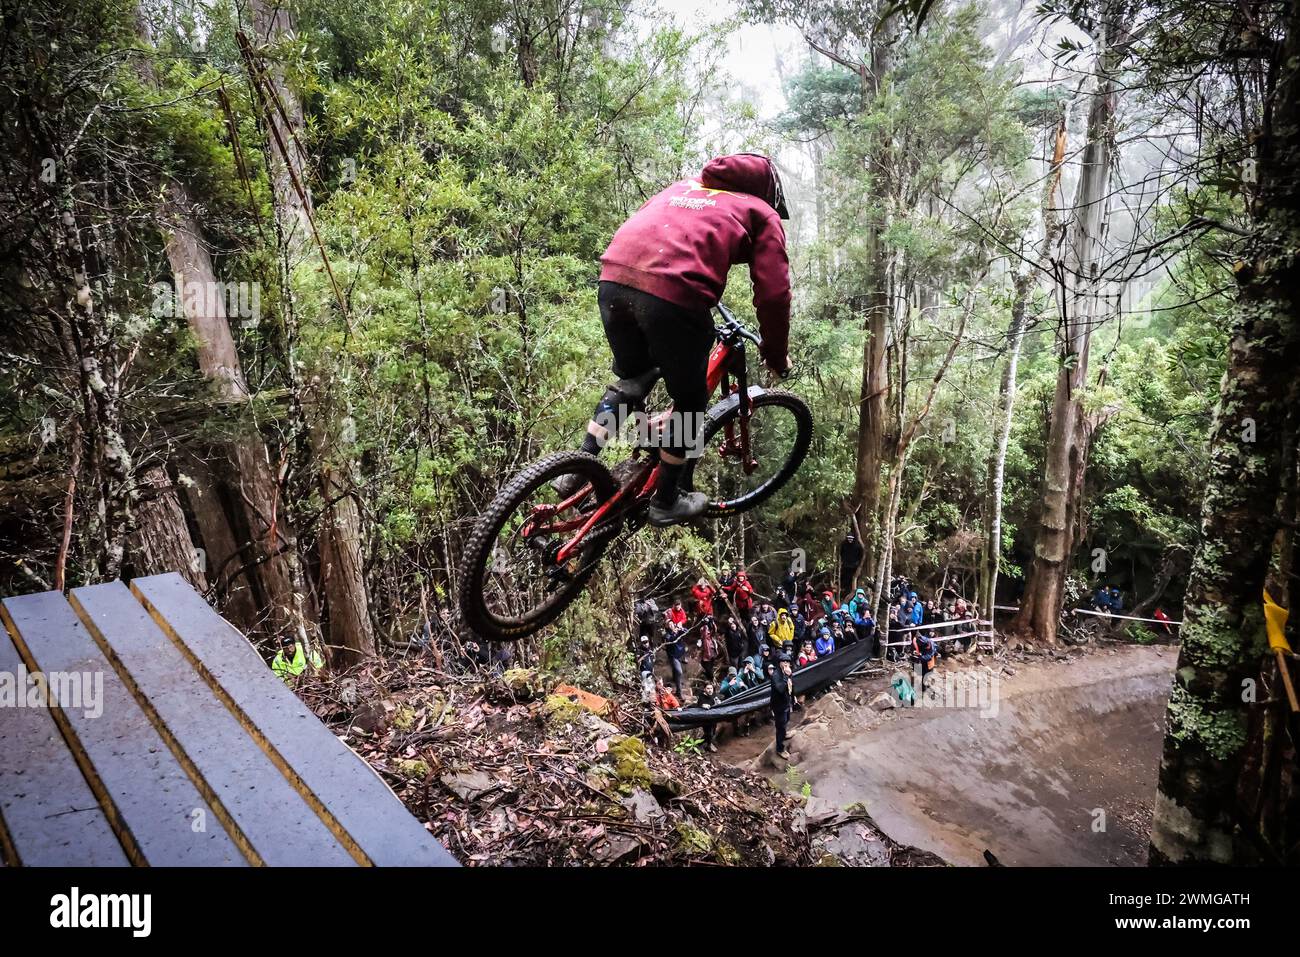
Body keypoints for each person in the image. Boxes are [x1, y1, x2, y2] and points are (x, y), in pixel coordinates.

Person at [559, 154, 793, 526]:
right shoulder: (759, 210)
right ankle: (666, 500)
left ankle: (577, 466)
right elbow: (774, 294)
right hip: (673, 297)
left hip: (613, 281)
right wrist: (775, 353)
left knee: (633, 378)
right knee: (690, 400)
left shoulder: (683, 186)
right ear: (766, 191)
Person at [770, 655, 794, 760]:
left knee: (787, 719)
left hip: (786, 702)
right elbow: (780, 688)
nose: (785, 663)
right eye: (783, 661)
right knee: (780, 726)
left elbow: (791, 685)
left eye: (787, 661)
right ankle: (780, 749)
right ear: (779, 663)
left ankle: (784, 734)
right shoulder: (776, 675)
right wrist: (786, 677)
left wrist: (793, 697)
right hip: (778, 705)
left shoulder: (787, 672)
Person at [664, 615, 687, 697]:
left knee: (676, 671)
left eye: (672, 624)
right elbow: (670, 640)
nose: (671, 626)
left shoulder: (677, 630)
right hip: (673, 656)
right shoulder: (667, 634)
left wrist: (681, 629)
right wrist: (674, 633)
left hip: (680, 653)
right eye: (669, 625)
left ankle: (676, 683)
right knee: (679, 672)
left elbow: (685, 632)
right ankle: (679, 691)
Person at [695, 681, 720, 752]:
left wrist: (718, 702)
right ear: (705, 689)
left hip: (713, 717)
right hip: (705, 719)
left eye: (711, 688)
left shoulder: (713, 695)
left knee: (713, 731)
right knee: (708, 733)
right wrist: (703, 705)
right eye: (708, 688)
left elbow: (717, 702)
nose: (710, 690)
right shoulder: (701, 696)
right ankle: (699, 745)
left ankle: (708, 744)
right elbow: (699, 705)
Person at [838, 531, 863, 596]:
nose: (850, 540)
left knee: (852, 579)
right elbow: (841, 553)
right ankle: (844, 591)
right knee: (845, 578)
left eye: (851, 538)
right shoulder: (844, 544)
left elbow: (860, 555)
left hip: (854, 566)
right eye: (848, 538)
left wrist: (857, 563)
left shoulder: (857, 545)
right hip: (846, 565)